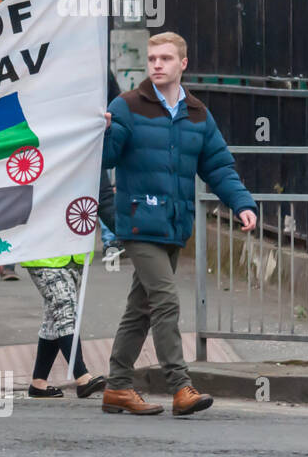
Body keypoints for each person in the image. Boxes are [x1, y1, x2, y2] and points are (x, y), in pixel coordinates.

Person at [101, 31, 257, 417]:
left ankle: (117, 386)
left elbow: (218, 166)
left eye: (166, 59)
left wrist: (242, 204)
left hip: (174, 225)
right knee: (166, 300)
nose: (157, 64)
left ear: (182, 64)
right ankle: (180, 386)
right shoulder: (126, 106)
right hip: (138, 223)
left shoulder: (198, 114)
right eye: (152, 58)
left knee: (141, 309)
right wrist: (104, 131)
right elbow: (105, 159)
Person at [21, 173, 115, 398]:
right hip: (43, 252)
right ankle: (82, 377)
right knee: (65, 311)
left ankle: (38, 383)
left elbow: (103, 198)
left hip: (74, 251)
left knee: (54, 319)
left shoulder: (91, 152)